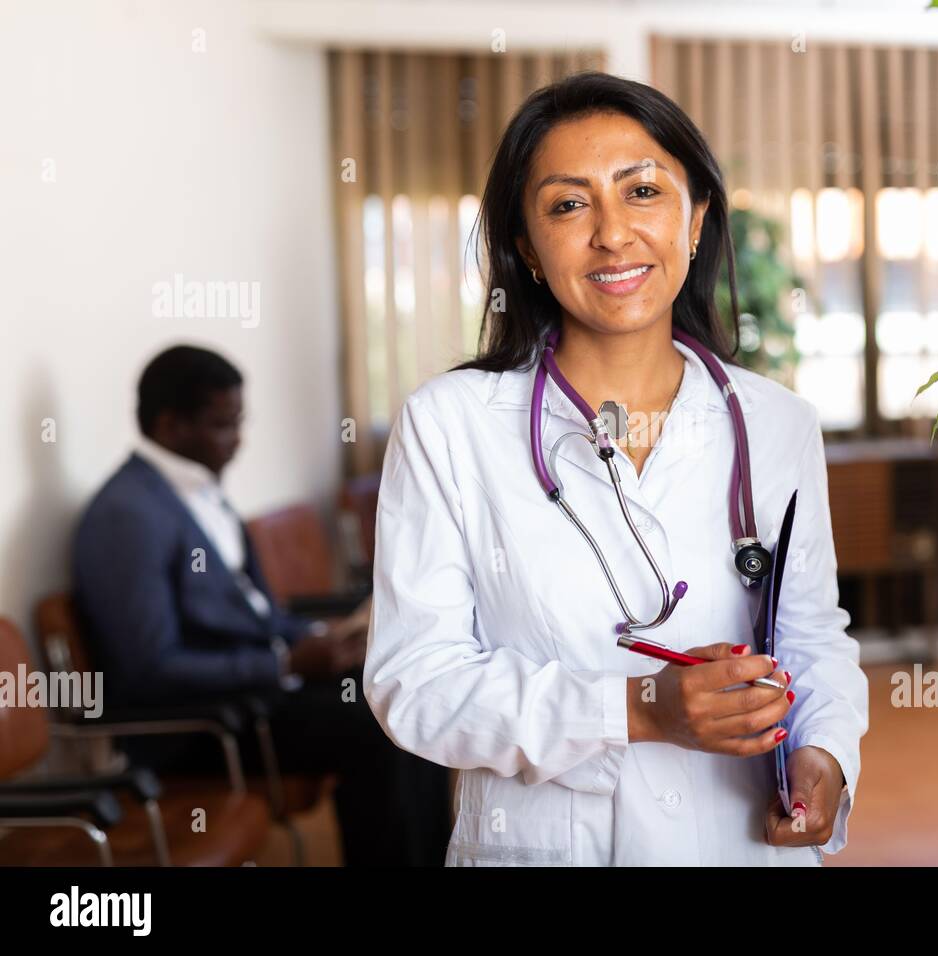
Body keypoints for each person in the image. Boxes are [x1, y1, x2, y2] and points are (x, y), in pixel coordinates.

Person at [364, 71, 869, 866]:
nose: (612, 233)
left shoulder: (777, 424)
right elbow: (415, 682)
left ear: (695, 218)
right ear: (527, 249)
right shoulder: (449, 425)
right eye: (569, 205)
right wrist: (633, 710)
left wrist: (826, 754)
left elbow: (809, 636)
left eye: (642, 192)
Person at [72, 345, 451, 866]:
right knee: (377, 726)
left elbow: (253, 613)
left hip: (258, 692)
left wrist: (321, 637)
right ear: (170, 425)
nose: (238, 440)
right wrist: (283, 663)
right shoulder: (128, 515)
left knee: (408, 690)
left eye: (239, 421)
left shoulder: (195, 491)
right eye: (222, 425)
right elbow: (149, 669)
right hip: (203, 725)